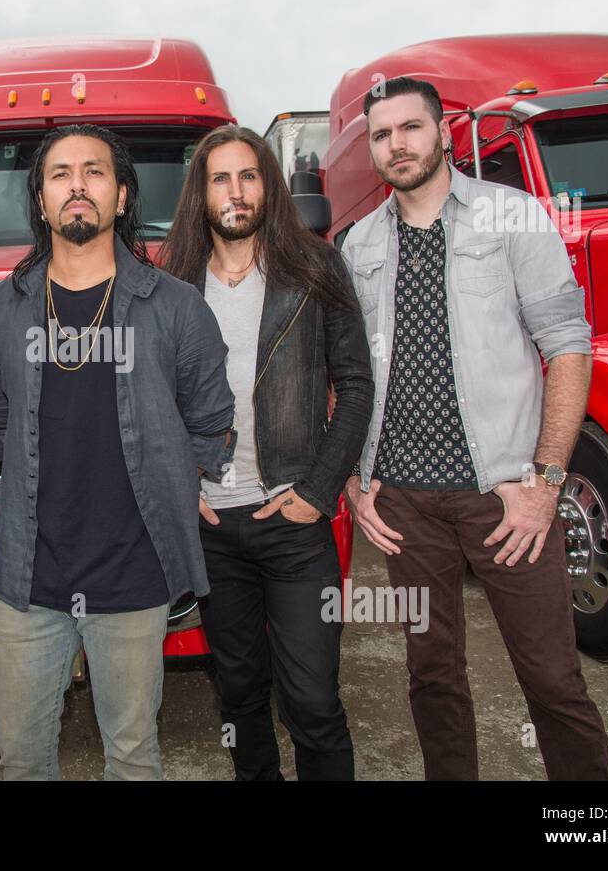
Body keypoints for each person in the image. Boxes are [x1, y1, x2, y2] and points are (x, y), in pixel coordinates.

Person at [340, 76, 608, 780]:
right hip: (404, 505)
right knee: (433, 678)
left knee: (552, 679)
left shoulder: (513, 217)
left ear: (443, 133)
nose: (396, 145)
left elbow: (568, 346)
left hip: (507, 497)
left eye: (409, 128)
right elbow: (346, 372)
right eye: (381, 134)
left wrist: (547, 483)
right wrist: (356, 480)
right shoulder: (358, 245)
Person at [0, 123, 235, 780]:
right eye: (60, 173)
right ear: (40, 200)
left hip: (134, 573)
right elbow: (0, 426)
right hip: (28, 575)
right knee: (22, 757)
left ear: (120, 197)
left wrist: (182, 481)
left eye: (94, 171)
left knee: (133, 754)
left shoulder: (176, 307)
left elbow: (212, 418)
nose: (77, 185)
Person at [161, 125, 373, 780]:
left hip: (293, 523)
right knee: (242, 694)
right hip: (214, 530)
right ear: (201, 193)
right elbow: (146, 397)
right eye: (219, 178)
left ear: (268, 186)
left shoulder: (313, 267)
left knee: (311, 700)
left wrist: (318, 489)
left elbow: (357, 386)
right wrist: (179, 481)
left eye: (247, 175)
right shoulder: (170, 285)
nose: (234, 191)